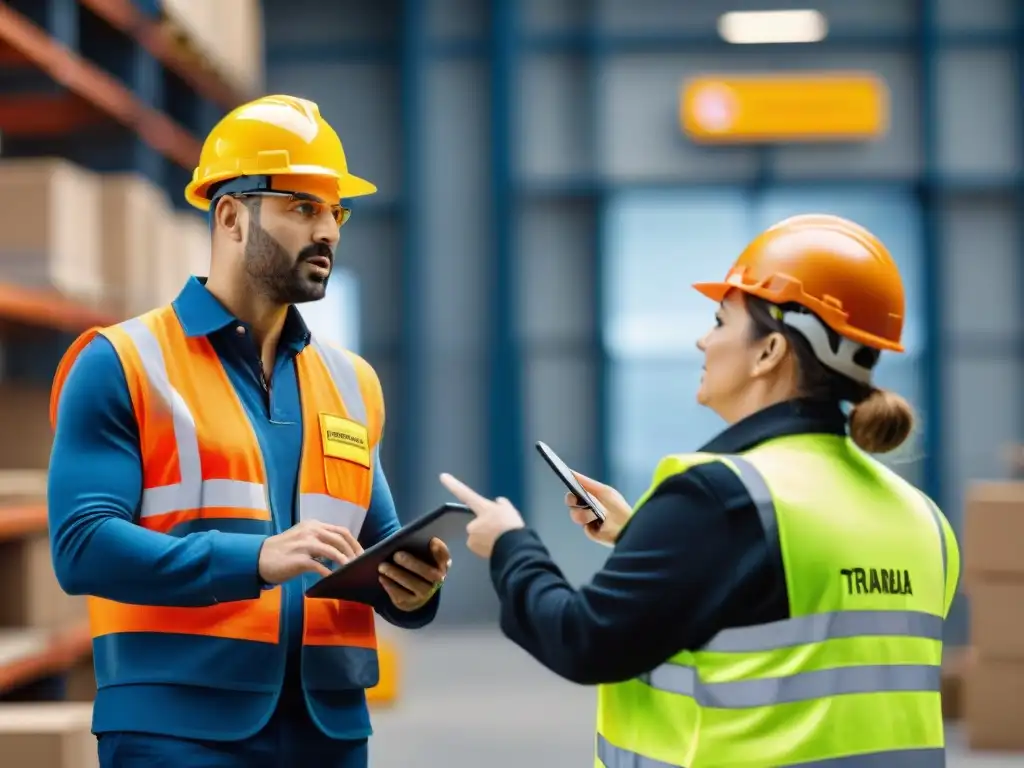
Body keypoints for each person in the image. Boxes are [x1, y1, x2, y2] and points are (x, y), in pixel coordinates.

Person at [441, 214, 960, 767]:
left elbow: (583, 640)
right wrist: (642, 536)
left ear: (770, 352)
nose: (701, 339)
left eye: (719, 321)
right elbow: (783, 612)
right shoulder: (921, 518)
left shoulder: (723, 497)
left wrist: (510, 547)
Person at [47, 94, 451, 768]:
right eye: (302, 207)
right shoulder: (123, 363)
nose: (328, 230)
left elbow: (371, 553)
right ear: (231, 216)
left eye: (336, 211)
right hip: (175, 731)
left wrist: (412, 590)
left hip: (331, 729)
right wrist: (255, 560)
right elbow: (81, 546)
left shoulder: (352, 383)